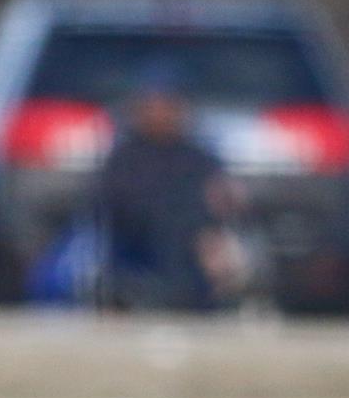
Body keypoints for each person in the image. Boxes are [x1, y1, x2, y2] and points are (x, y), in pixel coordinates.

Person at [94, 72, 248, 311]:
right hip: (138, 249)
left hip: (193, 248)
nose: (160, 113)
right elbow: (112, 205)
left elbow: (222, 198)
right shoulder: (125, 158)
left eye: (167, 106)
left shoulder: (198, 158)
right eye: (152, 106)